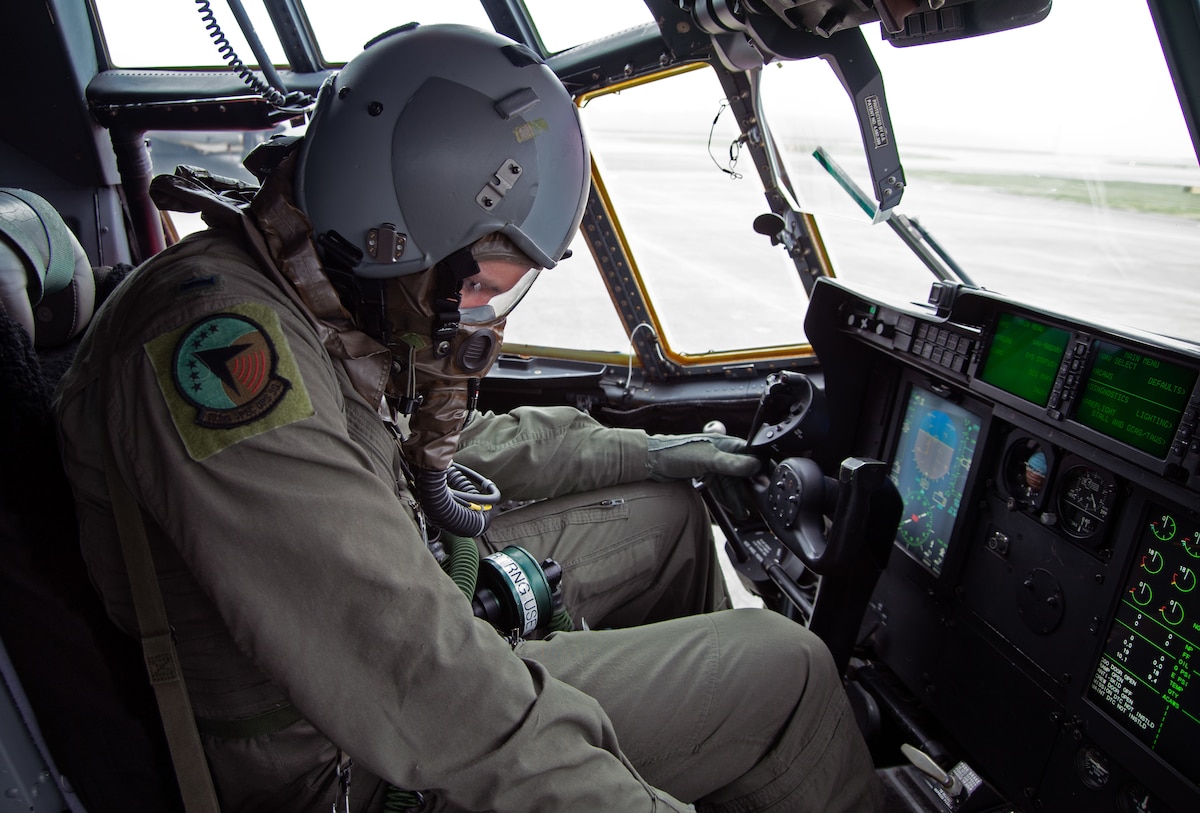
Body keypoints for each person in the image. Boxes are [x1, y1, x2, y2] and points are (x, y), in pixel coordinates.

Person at [54, 22, 882, 813]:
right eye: (479, 283)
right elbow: (410, 669)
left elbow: (430, 449)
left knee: (667, 521)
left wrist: (647, 451)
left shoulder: (304, 289)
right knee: (791, 676)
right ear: (389, 234)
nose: (481, 317)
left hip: (388, 636)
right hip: (337, 760)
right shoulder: (221, 352)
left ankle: (710, 759)